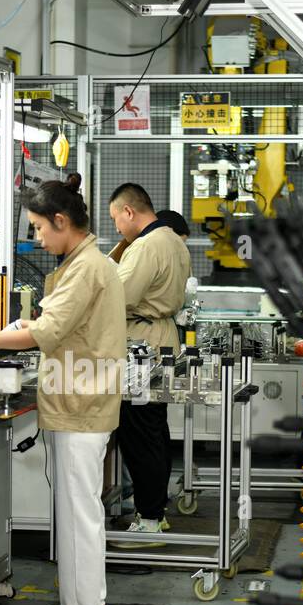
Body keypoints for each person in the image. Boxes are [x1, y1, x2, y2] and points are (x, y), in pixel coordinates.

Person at [0, 174, 125, 605]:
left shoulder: (87, 266)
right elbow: (58, 323)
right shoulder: (82, 263)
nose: (37, 237)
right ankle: (81, 603)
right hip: (77, 400)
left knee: (79, 516)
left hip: (81, 404)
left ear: (62, 221)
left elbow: (45, 334)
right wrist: (26, 323)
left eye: (39, 228)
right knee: (73, 514)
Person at [106, 183, 192, 546]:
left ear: (129, 211)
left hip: (142, 345)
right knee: (155, 431)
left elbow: (118, 296)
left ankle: (150, 520)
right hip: (161, 339)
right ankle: (155, 511)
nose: (117, 229)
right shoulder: (173, 240)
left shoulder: (145, 246)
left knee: (139, 434)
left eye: (116, 219)